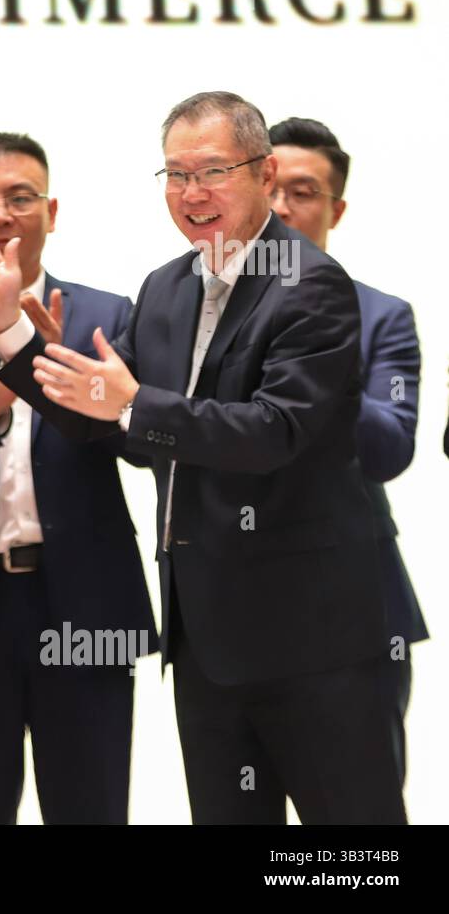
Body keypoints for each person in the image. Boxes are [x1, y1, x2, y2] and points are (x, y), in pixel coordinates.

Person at [0, 91, 405, 824]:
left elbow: (275, 431)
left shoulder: (311, 282)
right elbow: (107, 420)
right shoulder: (165, 288)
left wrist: (131, 404)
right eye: (174, 174)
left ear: (264, 175)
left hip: (310, 639)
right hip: (203, 641)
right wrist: (7, 329)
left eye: (213, 171)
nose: (192, 193)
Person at [0, 132, 155, 824]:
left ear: (52, 209)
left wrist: (72, 384)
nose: (0, 213)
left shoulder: (109, 316)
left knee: (93, 807)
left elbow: (143, 446)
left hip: (83, 604)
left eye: (20, 197)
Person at [269, 116, 426, 784]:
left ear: (336, 209)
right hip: (228, 620)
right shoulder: (194, 311)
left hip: (359, 617)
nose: (281, 208)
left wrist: (321, 361)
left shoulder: (382, 316)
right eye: (269, 187)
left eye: (302, 192)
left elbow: (390, 447)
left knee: (360, 833)